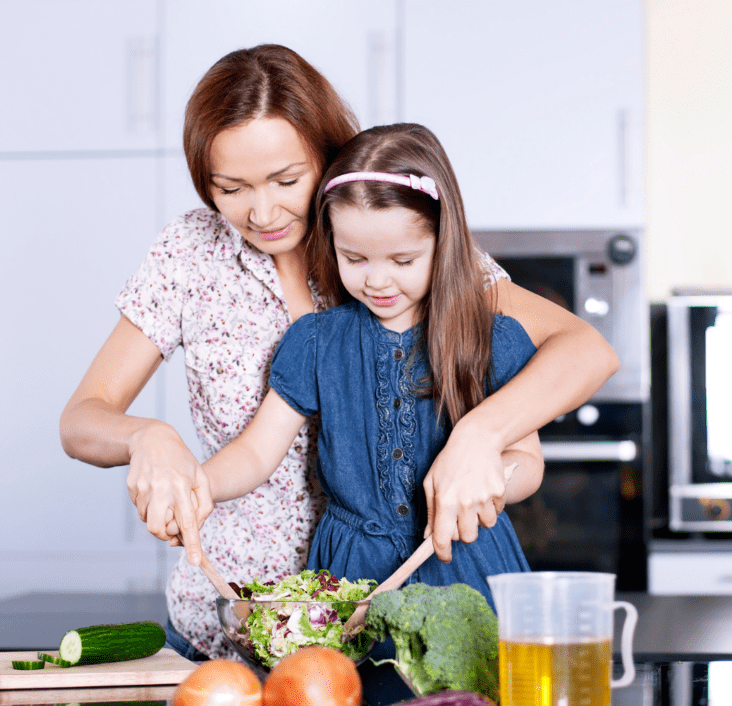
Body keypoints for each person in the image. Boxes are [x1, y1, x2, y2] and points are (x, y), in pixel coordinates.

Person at [60, 44, 618, 661]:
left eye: (287, 180)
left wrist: (480, 437)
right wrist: (151, 440)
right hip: (238, 619)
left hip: (410, 601)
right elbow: (84, 418)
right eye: (231, 187)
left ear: (330, 159)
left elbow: (585, 351)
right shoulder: (193, 254)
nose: (263, 211)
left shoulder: (413, 245)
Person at [201, 122, 545, 610]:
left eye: (403, 260)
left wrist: (493, 473)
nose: (378, 280)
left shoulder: (490, 339)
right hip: (350, 576)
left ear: (442, 244)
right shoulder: (317, 342)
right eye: (354, 258)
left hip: (468, 567)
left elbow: (529, 464)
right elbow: (257, 453)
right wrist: (200, 486)